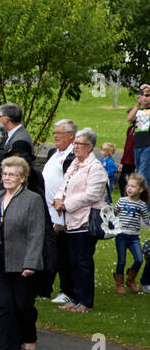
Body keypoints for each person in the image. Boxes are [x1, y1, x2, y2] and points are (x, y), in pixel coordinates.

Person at [0, 156, 48, 350]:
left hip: (21, 262)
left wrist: (31, 263)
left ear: (22, 178)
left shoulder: (32, 199)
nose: (7, 178)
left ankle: (29, 337)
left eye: (12, 174)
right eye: (5, 174)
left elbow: (37, 234)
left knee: (22, 306)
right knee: (1, 306)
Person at [53, 127, 108, 312]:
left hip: (85, 221)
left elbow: (92, 194)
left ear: (90, 147)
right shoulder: (75, 164)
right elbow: (64, 185)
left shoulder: (96, 168)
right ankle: (75, 298)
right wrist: (58, 199)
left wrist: (66, 204)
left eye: (80, 144)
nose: (76, 147)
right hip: (70, 220)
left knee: (83, 262)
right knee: (72, 262)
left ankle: (85, 301)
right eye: (75, 143)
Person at [42, 119, 77, 304]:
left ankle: (67, 290)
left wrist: (61, 217)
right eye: (54, 132)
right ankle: (44, 287)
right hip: (47, 212)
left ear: (71, 136)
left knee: (63, 254)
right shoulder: (53, 153)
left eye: (59, 133)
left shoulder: (72, 157)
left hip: (63, 215)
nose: (55, 136)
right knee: (49, 252)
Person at [112, 172, 150, 294]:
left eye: (133, 186)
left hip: (134, 237)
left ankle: (130, 280)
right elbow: (113, 214)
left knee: (139, 259)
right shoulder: (122, 201)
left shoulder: (142, 205)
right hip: (121, 236)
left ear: (141, 189)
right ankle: (119, 284)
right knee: (121, 260)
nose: (129, 188)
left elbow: (147, 220)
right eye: (128, 185)